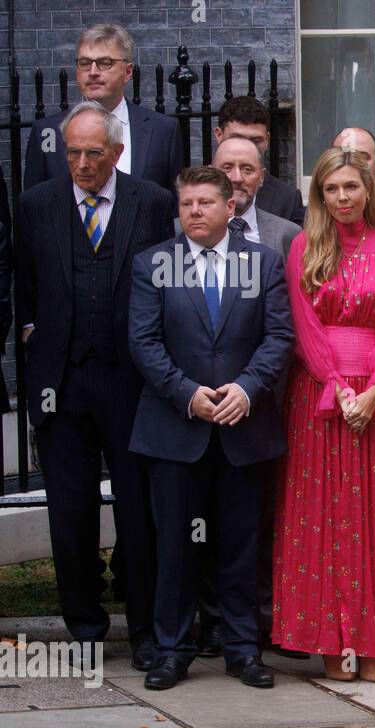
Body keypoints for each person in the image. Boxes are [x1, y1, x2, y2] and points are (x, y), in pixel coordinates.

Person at [14, 100, 173, 671]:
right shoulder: (37, 205)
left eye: (93, 153)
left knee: (141, 510)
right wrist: (34, 334)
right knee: (70, 512)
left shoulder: (151, 203)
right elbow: (24, 282)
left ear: (117, 153)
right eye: (73, 151)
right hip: (62, 380)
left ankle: (148, 632)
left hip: (132, 382)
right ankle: (84, 628)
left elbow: (165, 281)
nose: (81, 163)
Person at [128, 165, 294, 690]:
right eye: (186, 204)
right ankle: (174, 649)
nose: (194, 212)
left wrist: (246, 389)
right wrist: (187, 394)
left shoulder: (264, 263)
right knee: (176, 544)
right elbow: (144, 342)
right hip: (176, 431)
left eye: (204, 203)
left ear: (230, 208)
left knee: (241, 544)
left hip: (244, 429)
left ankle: (243, 648)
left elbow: (279, 337)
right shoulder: (154, 264)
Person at [272, 147, 375, 683]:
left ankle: (372, 646)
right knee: (322, 518)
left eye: (351, 186)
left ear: (368, 188)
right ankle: (331, 643)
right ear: (319, 196)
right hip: (318, 394)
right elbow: (303, 326)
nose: (343, 198)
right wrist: (334, 383)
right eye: (332, 189)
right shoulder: (305, 246)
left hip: (372, 393)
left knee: (370, 518)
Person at [25, 24, 182, 193]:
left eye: (105, 63)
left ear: (128, 72)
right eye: (84, 63)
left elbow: (175, 207)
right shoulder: (46, 132)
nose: (93, 72)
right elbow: (33, 208)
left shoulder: (163, 130)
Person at [214, 95, 304, 224]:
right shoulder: (190, 193)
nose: (246, 148)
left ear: (267, 139)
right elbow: (178, 244)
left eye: (256, 141)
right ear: (219, 135)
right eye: (237, 138)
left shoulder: (287, 199)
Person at [212, 136, 301, 259]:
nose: (237, 178)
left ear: (261, 178)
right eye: (227, 168)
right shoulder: (183, 230)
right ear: (211, 173)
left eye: (247, 169)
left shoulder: (288, 234)